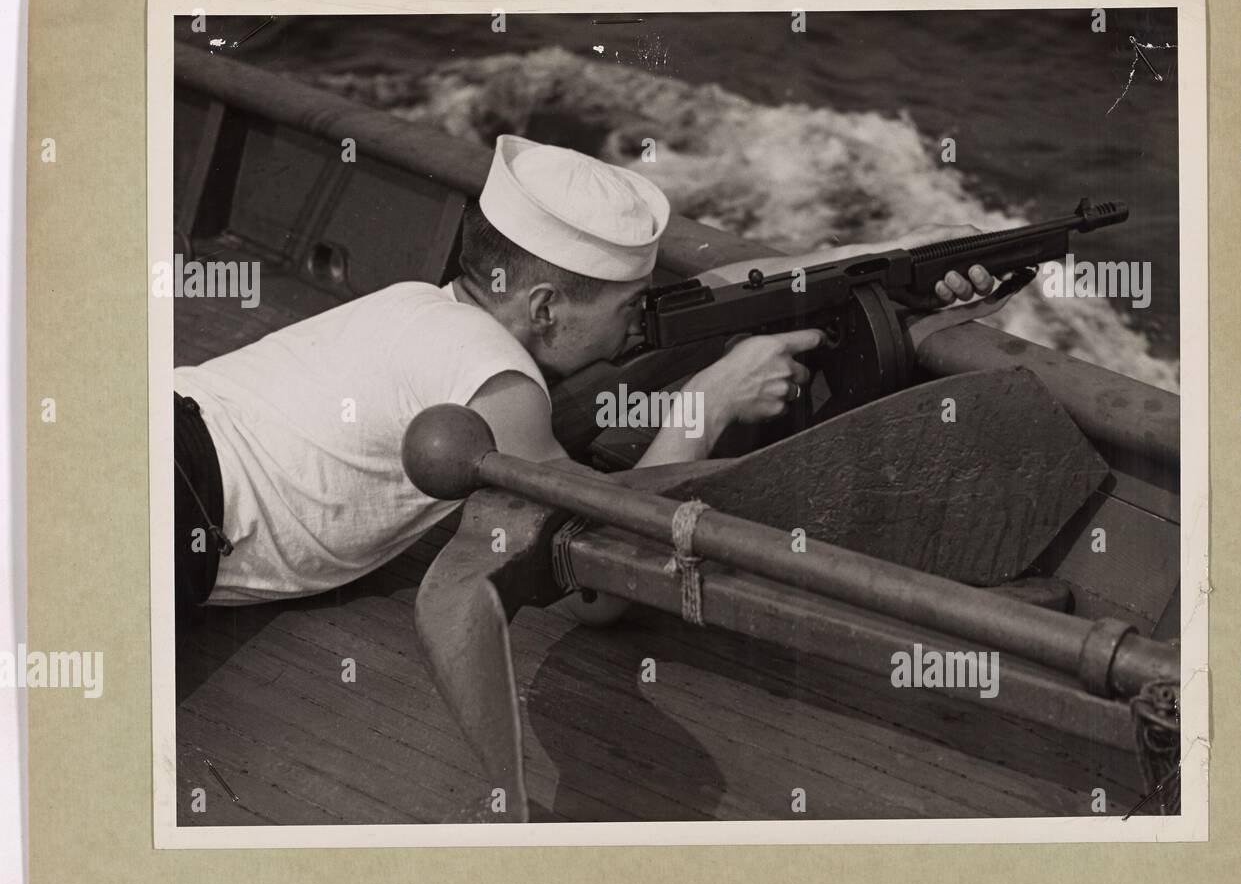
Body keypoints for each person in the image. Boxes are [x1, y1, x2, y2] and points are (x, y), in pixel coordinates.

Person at [173, 133, 992, 618]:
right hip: (176, 498)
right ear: (543, 307)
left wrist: (910, 258)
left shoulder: (420, 305)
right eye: (626, 304)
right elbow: (606, 564)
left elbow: (717, 293)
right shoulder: (499, 383)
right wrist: (709, 400)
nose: (643, 320)